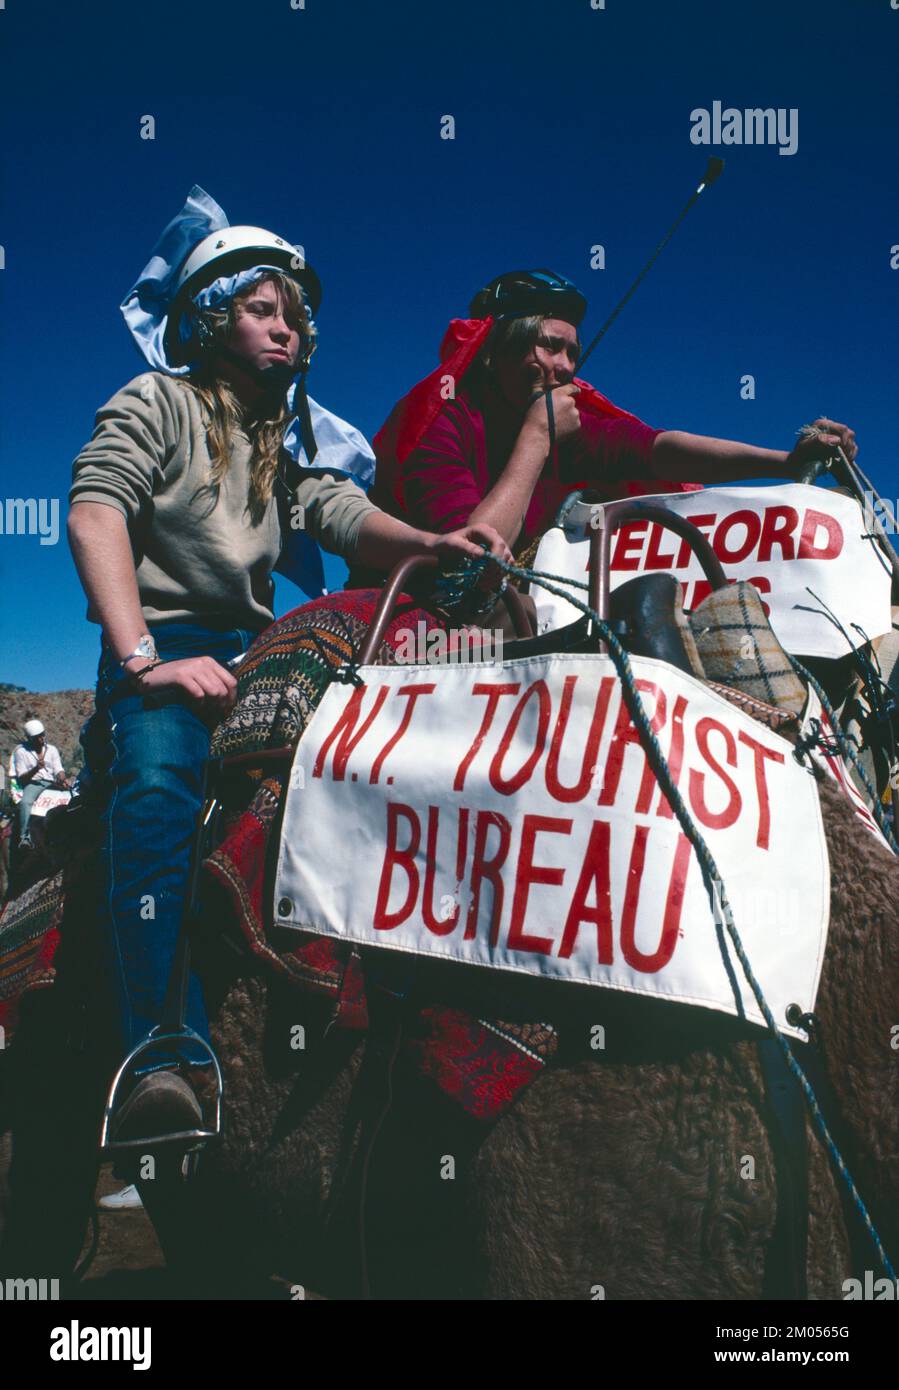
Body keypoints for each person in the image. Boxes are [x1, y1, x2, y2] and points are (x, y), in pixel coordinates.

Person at [68, 188, 508, 1149]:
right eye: (265, 311)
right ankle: (159, 1054)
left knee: (387, 757)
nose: (287, 330)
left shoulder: (286, 443)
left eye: (295, 316)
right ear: (210, 317)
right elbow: (94, 511)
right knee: (154, 790)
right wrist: (143, 663)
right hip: (163, 656)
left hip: (259, 651)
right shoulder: (157, 403)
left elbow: (345, 517)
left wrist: (435, 547)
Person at [355, 269, 858, 602]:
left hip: (533, 606)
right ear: (494, 351)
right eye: (550, 347)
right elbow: (474, 562)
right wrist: (535, 440)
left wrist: (784, 463)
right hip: (434, 614)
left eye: (572, 354)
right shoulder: (440, 423)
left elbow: (660, 451)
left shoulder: (569, 426)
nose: (564, 367)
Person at [12, 719, 69, 848]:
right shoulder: (21, 752)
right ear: (29, 738)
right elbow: (22, 778)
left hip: (52, 782)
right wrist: (36, 768)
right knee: (26, 802)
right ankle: (24, 837)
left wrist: (62, 778)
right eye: (37, 737)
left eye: (43, 735)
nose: (42, 739)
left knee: (72, 797)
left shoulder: (52, 749)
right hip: (34, 784)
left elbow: (58, 768)